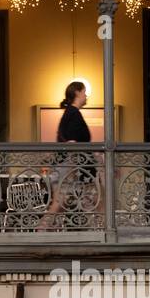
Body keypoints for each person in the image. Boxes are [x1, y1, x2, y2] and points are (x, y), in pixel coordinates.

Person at [44, 80, 93, 226]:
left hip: (74, 168)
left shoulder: (70, 113)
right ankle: (42, 229)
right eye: (84, 92)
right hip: (71, 168)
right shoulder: (73, 113)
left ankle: (98, 230)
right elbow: (72, 144)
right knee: (61, 201)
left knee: (67, 202)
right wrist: (72, 170)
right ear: (77, 92)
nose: (86, 96)